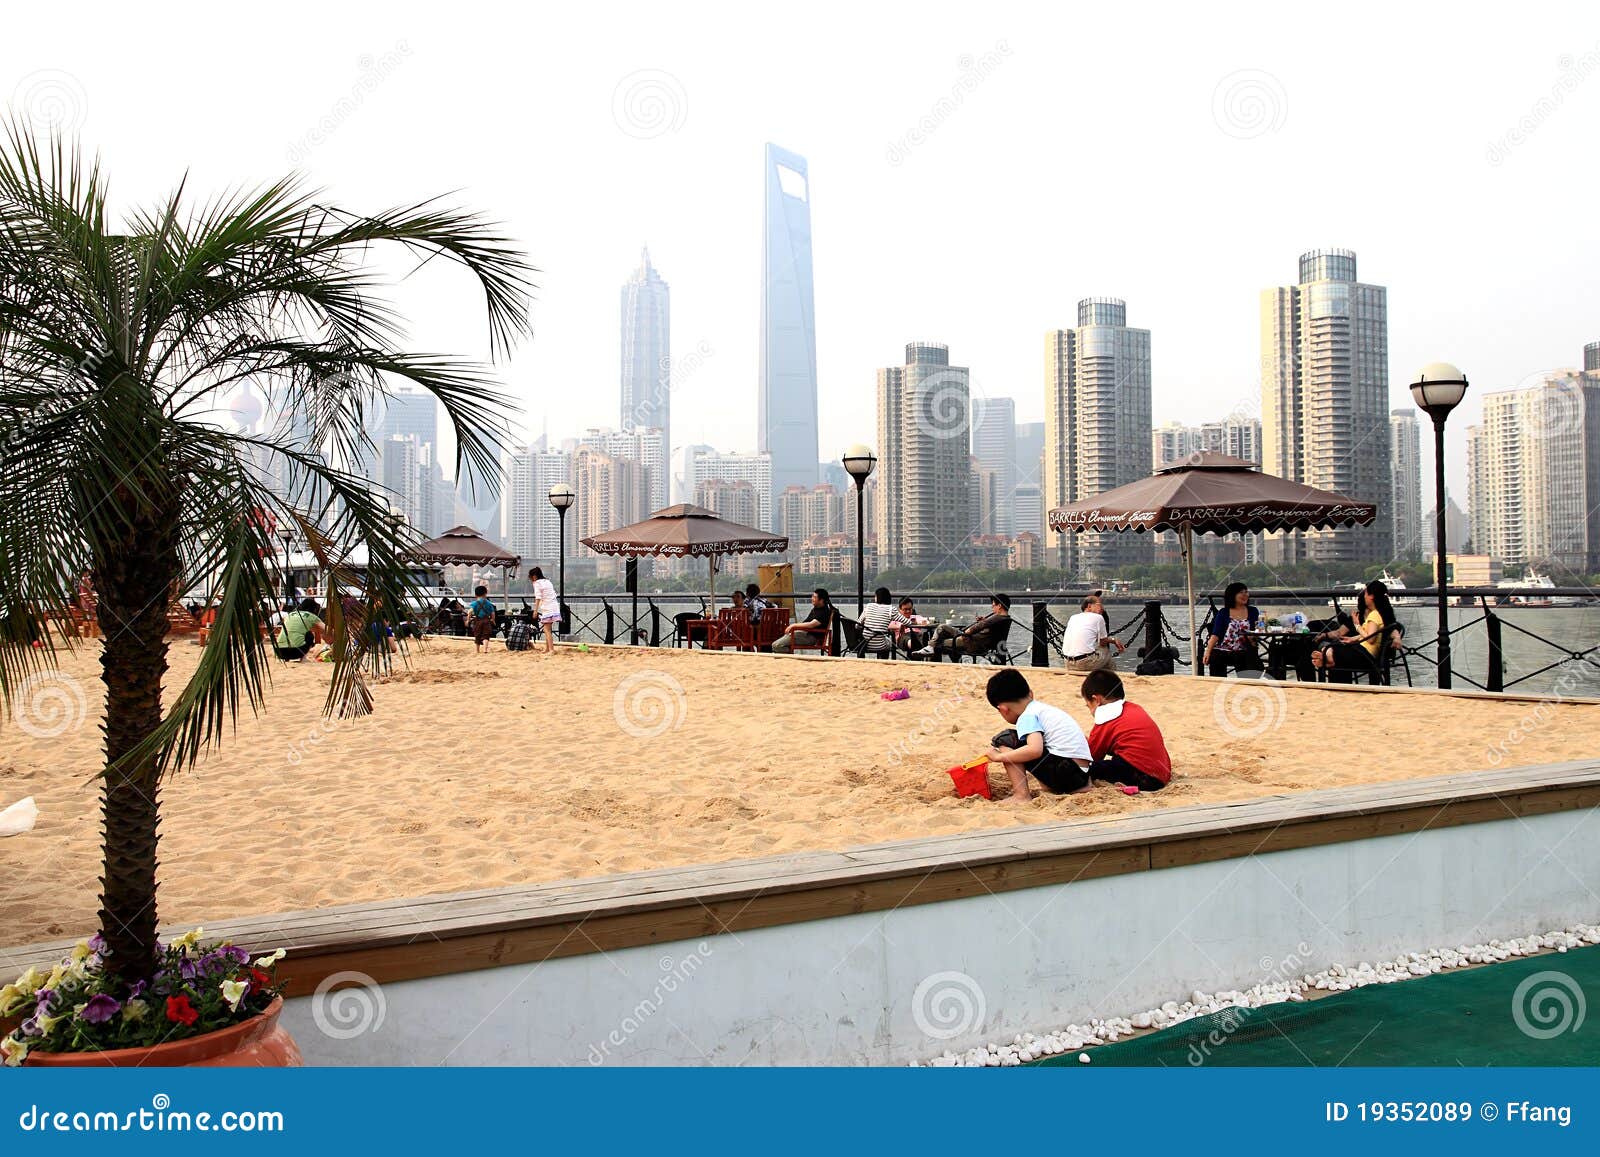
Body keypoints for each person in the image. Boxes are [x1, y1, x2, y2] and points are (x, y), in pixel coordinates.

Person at [984, 667, 1093, 802]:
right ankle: (1071, 787)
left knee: (1005, 739)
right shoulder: (1043, 709)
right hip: (1082, 775)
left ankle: (1021, 795)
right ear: (1031, 694)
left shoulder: (1027, 716)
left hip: (1066, 774)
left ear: (1003, 709)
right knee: (1033, 742)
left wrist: (999, 757)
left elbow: (1035, 750)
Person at [1079, 669, 1171, 792]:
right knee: (1117, 760)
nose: (1090, 710)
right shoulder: (1132, 708)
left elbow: (1091, 756)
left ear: (1096, 700)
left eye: (1088, 705)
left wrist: (1082, 743)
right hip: (1161, 772)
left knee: (1088, 769)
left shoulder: (1106, 715)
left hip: (1141, 775)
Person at [1312, 580, 1395, 680]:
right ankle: (1328, 659)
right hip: (1365, 653)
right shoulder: (1382, 614)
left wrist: (1357, 625)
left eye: (1366, 593)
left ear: (1371, 596)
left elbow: (1370, 639)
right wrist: (1353, 639)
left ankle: (1329, 660)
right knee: (1333, 649)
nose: (1364, 596)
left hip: (1365, 655)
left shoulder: (1374, 615)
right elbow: (1372, 634)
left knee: (1332, 650)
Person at [916, 593, 1012, 662]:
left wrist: (966, 632)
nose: (992, 608)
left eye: (993, 605)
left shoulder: (996, 618)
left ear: (999, 606)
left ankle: (932, 658)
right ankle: (931, 648)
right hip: (981, 643)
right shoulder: (1005, 619)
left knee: (939, 637)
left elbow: (974, 629)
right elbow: (989, 628)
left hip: (971, 642)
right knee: (941, 632)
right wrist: (984, 621)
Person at [1203, 582, 1263, 678]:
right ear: (1232, 595)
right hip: (1224, 649)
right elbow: (1215, 634)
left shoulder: (1253, 611)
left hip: (1244, 649)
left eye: (1246, 592)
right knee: (1216, 657)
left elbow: (1257, 629)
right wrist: (1207, 651)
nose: (1245, 595)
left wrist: (1253, 638)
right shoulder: (1224, 612)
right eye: (1241, 592)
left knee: (1249, 659)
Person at [1060, 593, 1125, 672]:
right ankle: (1113, 676)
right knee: (1105, 650)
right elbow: (1103, 642)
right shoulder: (1098, 617)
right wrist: (1114, 640)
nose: (1102, 608)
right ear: (1089, 606)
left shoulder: (1073, 617)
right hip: (1084, 663)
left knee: (1097, 652)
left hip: (1067, 663)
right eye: (1099, 605)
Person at [772, 588, 834, 653]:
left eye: (815, 597)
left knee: (776, 646)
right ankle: (788, 657)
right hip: (805, 634)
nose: (812, 599)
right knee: (776, 644)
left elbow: (811, 624)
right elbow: (806, 623)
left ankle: (790, 658)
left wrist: (793, 625)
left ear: (821, 600)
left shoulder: (824, 612)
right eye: (812, 596)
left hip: (810, 637)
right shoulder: (816, 609)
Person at [273, 597, 325, 662]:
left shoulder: (290, 614)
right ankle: (303, 658)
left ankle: (286, 659)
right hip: (296, 652)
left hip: (279, 652)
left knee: (292, 633)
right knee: (309, 635)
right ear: (313, 609)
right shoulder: (311, 616)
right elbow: (326, 629)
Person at [855, 587, 902, 656]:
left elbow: (857, 625)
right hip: (880, 645)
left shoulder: (868, 606)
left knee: (882, 639)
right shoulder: (891, 609)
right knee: (888, 642)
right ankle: (884, 662)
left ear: (877, 597)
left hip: (864, 644)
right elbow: (905, 621)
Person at [529, 566, 560, 654]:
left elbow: (538, 597)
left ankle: (551, 649)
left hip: (547, 607)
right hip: (554, 606)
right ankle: (548, 648)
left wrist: (535, 610)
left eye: (531, 577)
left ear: (534, 576)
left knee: (547, 630)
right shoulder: (548, 581)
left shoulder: (537, 583)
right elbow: (553, 594)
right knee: (548, 629)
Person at [467, 585, 498, 651]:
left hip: (477, 621)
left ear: (475, 594)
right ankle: (485, 649)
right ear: (485, 593)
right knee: (486, 635)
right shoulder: (489, 603)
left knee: (477, 635)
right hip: (486, 620)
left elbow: (470, 612)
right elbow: (493, 613)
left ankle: (477, 650)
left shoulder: (474, 603)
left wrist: (468, 620)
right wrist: (493, 620)